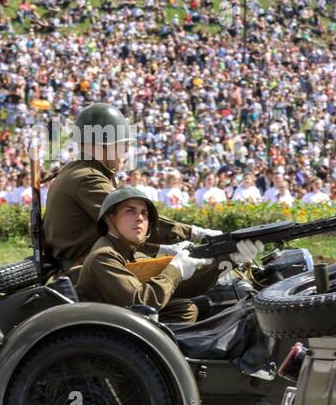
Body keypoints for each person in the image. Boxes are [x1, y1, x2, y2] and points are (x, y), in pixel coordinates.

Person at [44, 103, 213, 271]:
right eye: (121, 145)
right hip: (86, 273)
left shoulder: (76, 171)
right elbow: (129, 220)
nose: (125, 153)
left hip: (87, 265)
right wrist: (194, 233)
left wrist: (163, 247)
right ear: (101, 146)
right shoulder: (88, 178)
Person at [76, 187, 262, 325]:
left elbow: (182, 288)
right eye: (130, 211)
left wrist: (229, 260)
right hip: (108, 334)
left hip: (120, 328)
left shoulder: (128, 251)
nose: (140, 218)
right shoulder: (105, 256)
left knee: (185, 307)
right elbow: (142, 302)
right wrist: (175, 269)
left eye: (144, 213)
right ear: (109, 218)